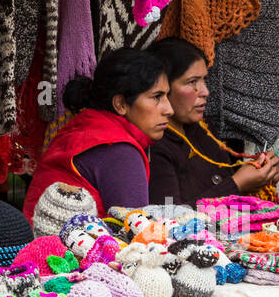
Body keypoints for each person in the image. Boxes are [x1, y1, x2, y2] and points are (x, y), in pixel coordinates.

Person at [22, 48, 173, 222]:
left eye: (167, 96)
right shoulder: (119, 150)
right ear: (120, 104)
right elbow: (136, 235)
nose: (169, 109)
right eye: (156, 97)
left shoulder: (84, 127)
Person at [146, 37, 279, 206]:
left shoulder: (203, 129)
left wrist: (260, 176)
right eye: (192, 82)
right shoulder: (155, 147)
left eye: (204, 80)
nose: (205, 91)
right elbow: (168, 220)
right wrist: (237, 184)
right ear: (163, 88)